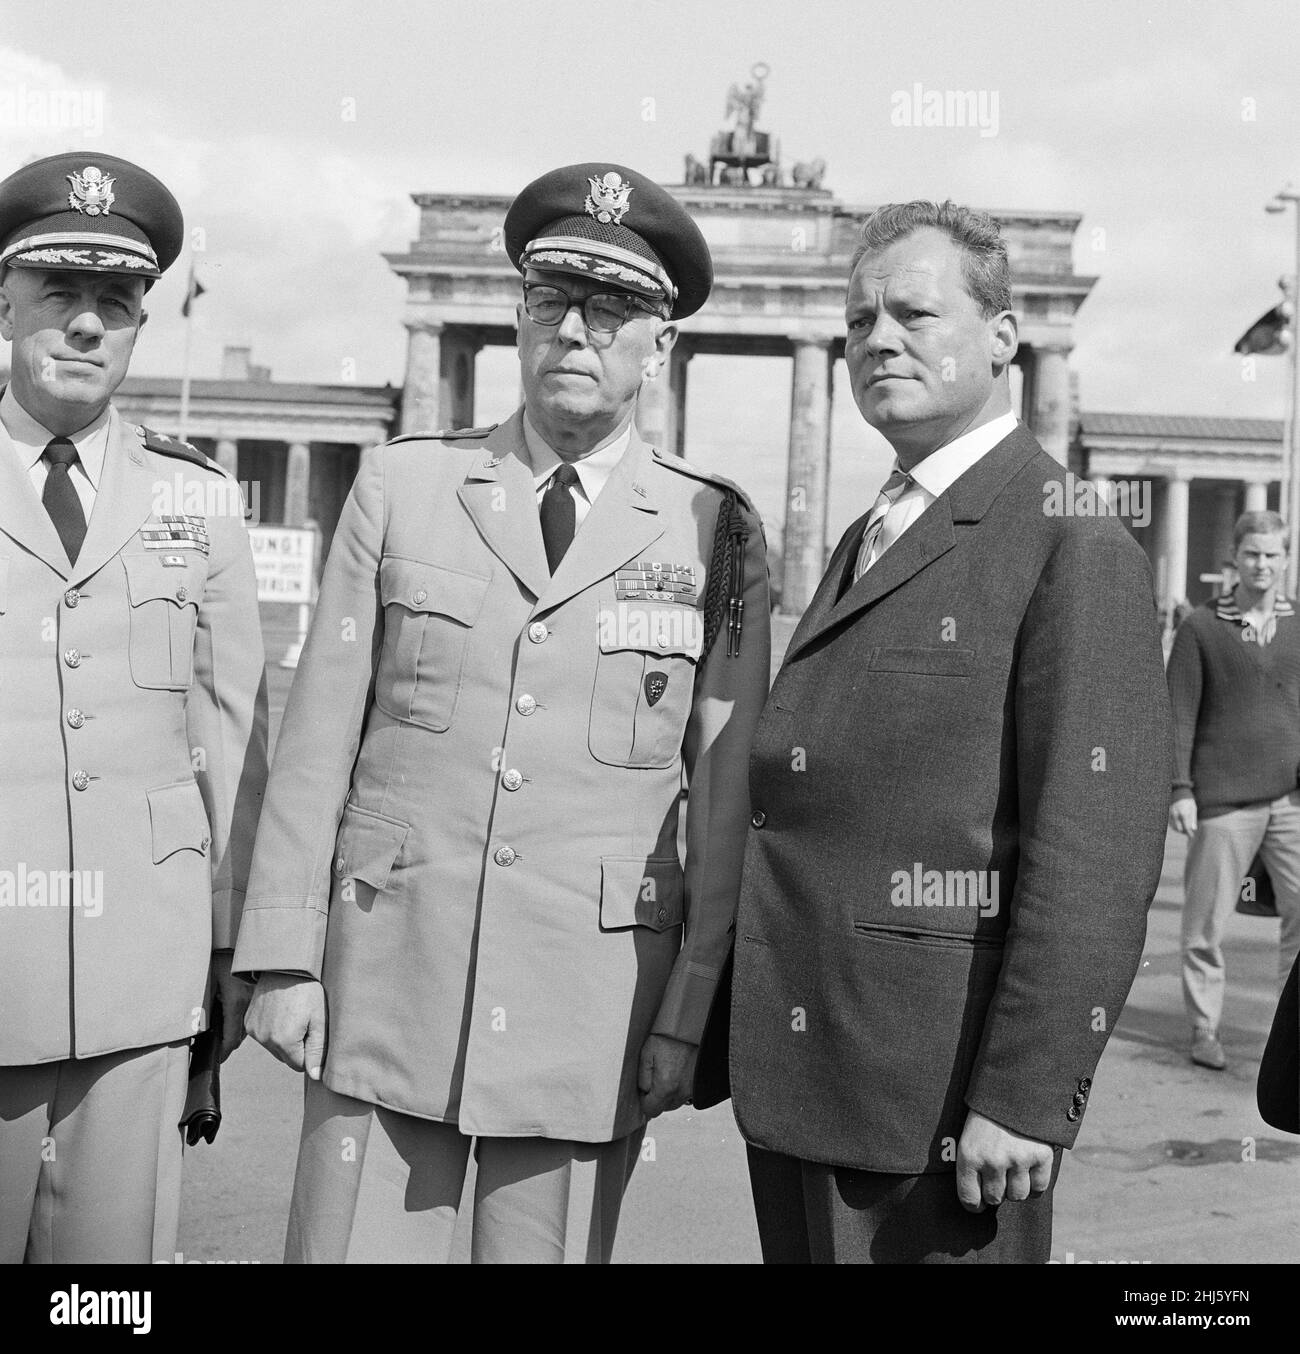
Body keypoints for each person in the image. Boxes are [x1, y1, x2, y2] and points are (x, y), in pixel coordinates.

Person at [234, 162, 771, 1264]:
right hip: (383, 985)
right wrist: (283, 956)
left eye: (612, 308)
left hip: (591, 1012)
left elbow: (724, 800)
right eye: (550, 302)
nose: (575, 330)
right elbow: (317, 741)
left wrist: (689, 1007)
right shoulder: (401, 488)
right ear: (517, 320)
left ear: (658, 344)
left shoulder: (715, 529)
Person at [727, 200, 1172, 1264]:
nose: (879, 340)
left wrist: (1024, 1093)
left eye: (916, 314)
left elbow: (1096, 850)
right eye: (860, 320)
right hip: (811, 1079)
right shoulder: (873, 528)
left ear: (1005, 340)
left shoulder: (1070, 541)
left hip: (937, 1105)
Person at [0, 152, 268, 1263]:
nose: (87, 325)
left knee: (105, 1292)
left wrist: (232, 951)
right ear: (3, 305)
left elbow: (233, 739)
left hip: (143, 984)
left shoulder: (196, 499)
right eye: (60, 294)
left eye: (116, 302)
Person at [1167, 511, 1300, 1070]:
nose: (1262, 565)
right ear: (1235, 558)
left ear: (1285, 560)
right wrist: (1180, 789)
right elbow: (1178, 715)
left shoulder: (1299, 625)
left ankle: (1288, 1034)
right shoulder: (1202, 626)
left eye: (1272, 555)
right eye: (1252, 554)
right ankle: (1204, 1028)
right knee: (1205, 924)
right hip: (1222, 802)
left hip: (1291, 802)